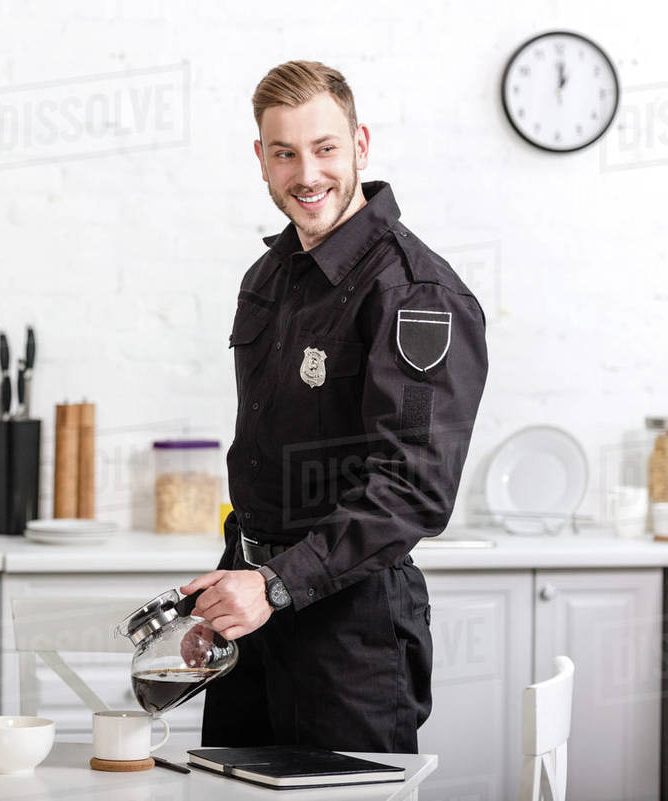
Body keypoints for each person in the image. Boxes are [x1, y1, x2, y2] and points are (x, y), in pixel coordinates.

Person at [180, 60, 488, 753]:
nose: (307, 173)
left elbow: (412, 489)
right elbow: (264, 466)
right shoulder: (267, 278)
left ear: (360, 145)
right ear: (261, 159)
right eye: (285, 153)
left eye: (324, 148)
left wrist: (274, 585)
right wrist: (231, 592)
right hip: (250, 619)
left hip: (351, 634)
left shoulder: (414, 294)